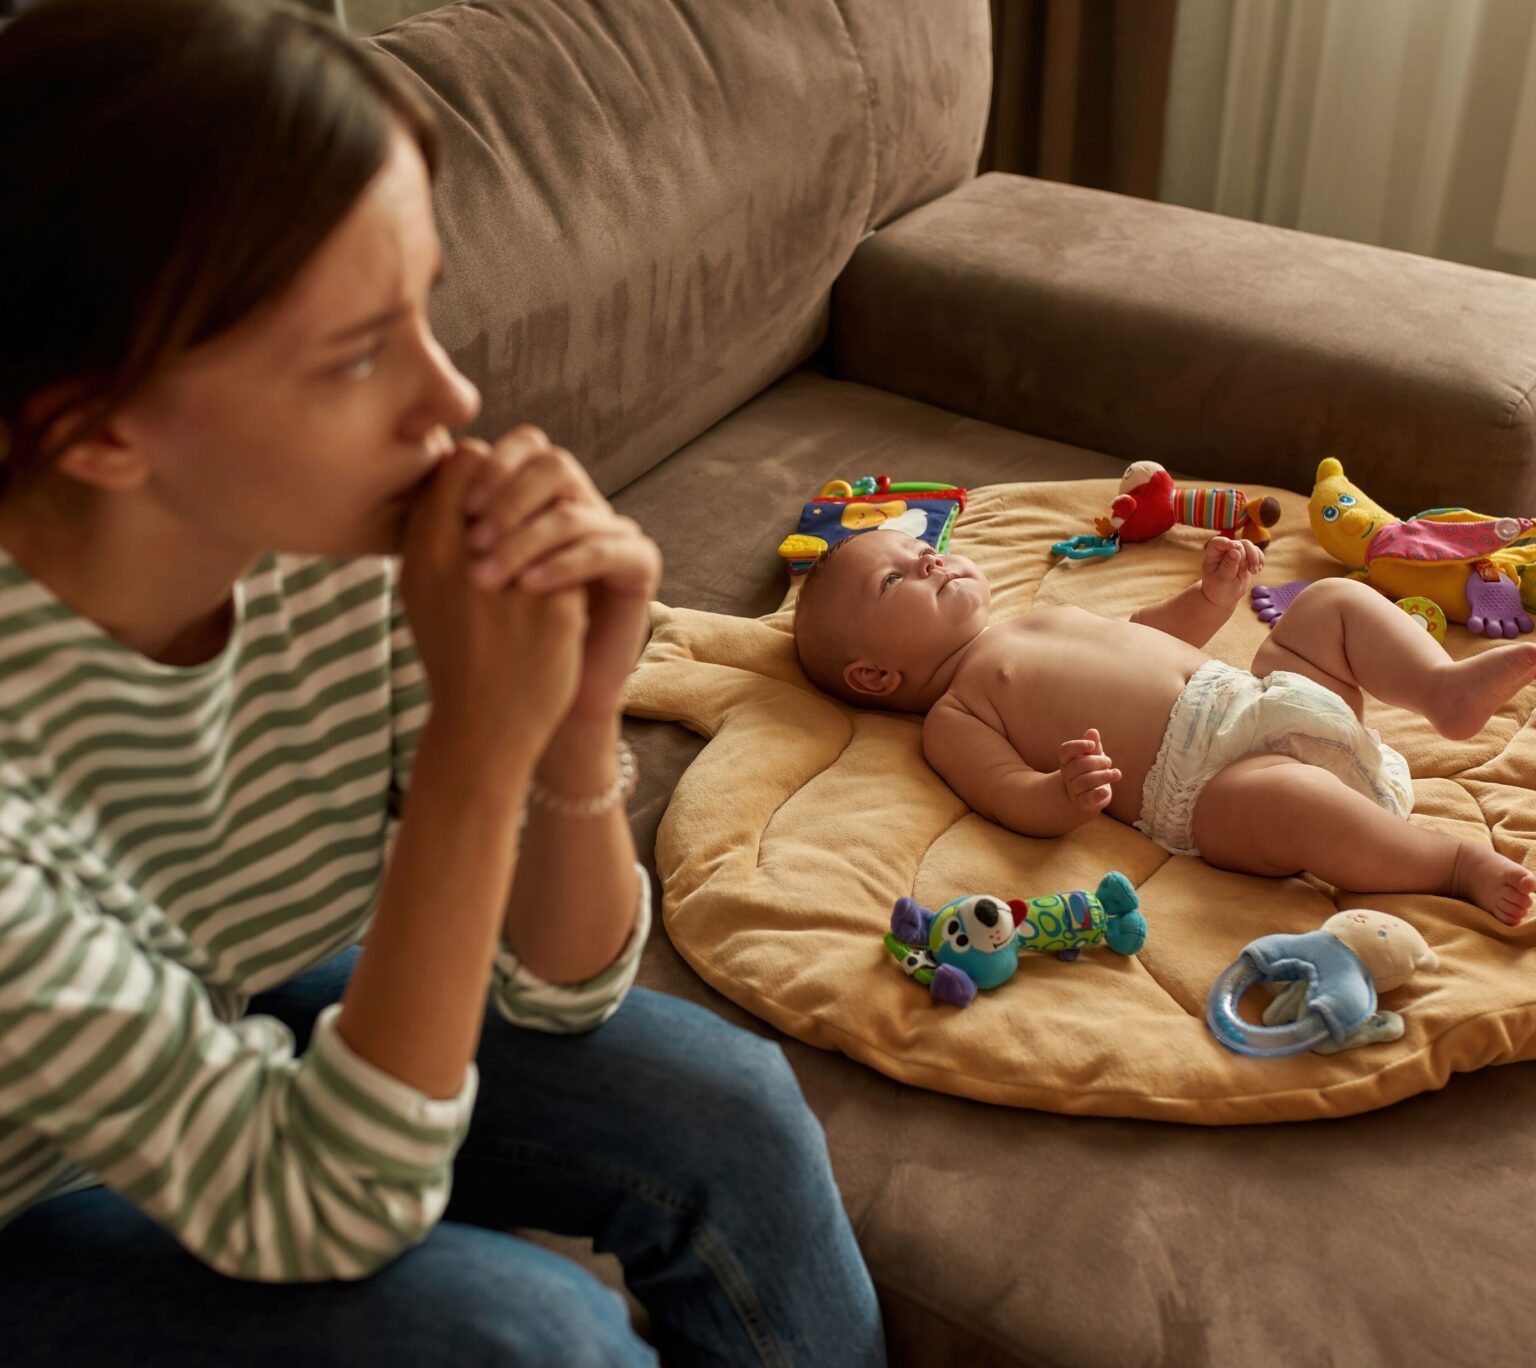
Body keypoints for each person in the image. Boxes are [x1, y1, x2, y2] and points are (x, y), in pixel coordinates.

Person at [0, 2, 886, 1364]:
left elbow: (564, 989)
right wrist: (479, 739)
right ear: (99, 433)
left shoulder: (336, 550)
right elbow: (322, 1201)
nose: (451, 398)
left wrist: (570, 723)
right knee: (522, 1335)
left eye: (420, 305)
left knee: (733, 1112)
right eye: (357, 355)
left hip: (203, 1016)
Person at [793, 526, 1536, 927]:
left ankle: (1442, 689)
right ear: (874, 677)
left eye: (922, 550)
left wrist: (1208, 600)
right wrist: (1063, 792)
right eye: (894, 579)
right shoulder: (955, 716)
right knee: (1289, 800)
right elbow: (1008, 795)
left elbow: (1148, 635)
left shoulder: (1037, 616)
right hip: (1212, 785)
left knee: (1328, 605)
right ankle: (1449, 865)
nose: (929, 561)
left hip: (1262, 696)